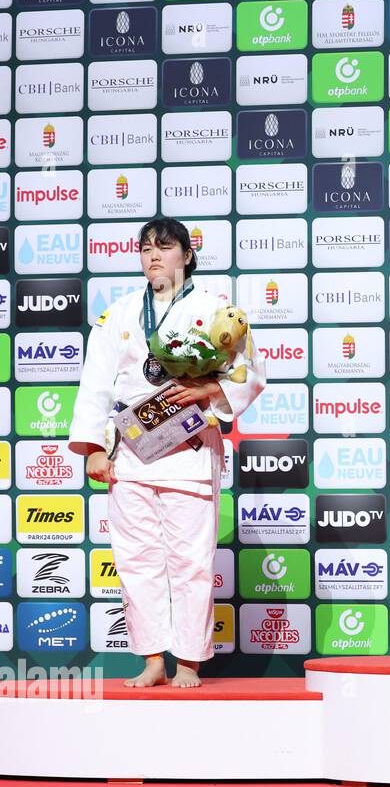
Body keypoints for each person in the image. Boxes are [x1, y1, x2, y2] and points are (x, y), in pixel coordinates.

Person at [68, 217, 266, 688]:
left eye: (164, 247)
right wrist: (93, 449)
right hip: (132, 451)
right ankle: (153, 658)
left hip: (189, 446)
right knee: (136, 559)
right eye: (146, 248)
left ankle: (190, 662)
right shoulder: (117, 313)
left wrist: (209, 389)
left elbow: (252, 374)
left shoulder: (218, 311)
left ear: (187, 255)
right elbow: (95, 384)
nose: (153, 255)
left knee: (191, 562)